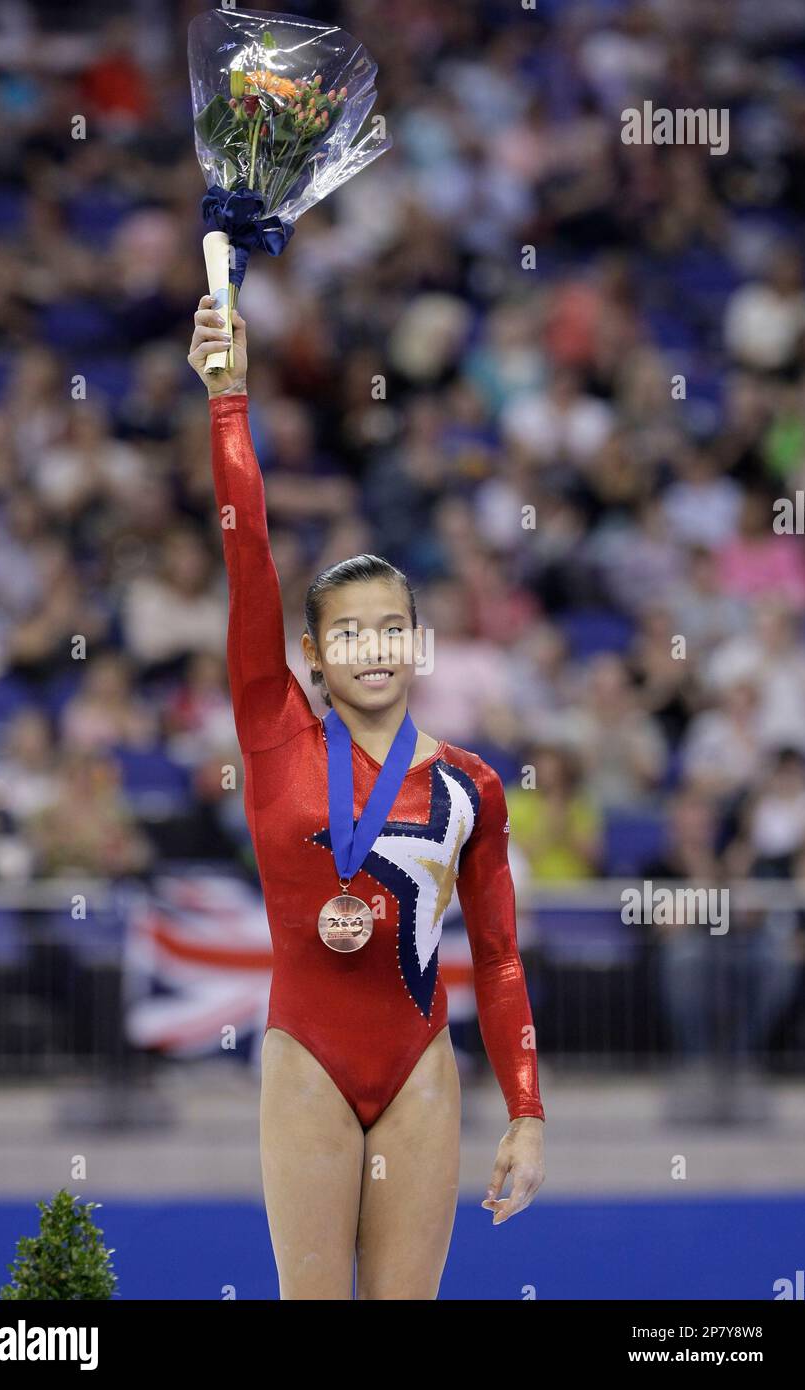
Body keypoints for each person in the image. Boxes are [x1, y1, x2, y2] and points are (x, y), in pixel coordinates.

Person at [188, 297, 545, 1301]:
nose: (373, 647)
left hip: (421, 1061)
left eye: (392, 627)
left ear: (416, 642)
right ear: (313, 653)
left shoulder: (469, 784)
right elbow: (247, 555)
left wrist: (525, 1110)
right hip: (307, 1054)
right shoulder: (274, 731)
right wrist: (228, 401)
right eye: (348, 631)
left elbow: (502, 953)